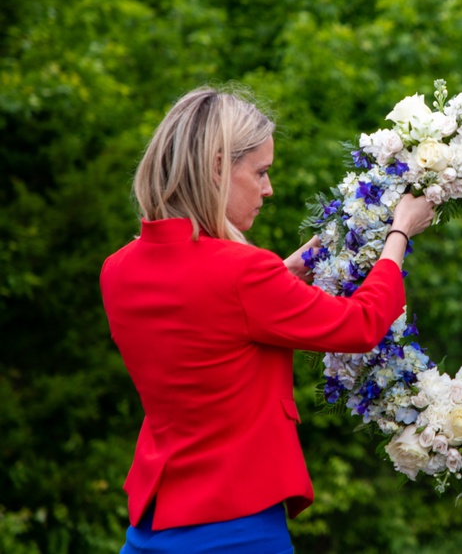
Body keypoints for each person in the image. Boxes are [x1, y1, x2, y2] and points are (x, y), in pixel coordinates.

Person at [100, 85, 435, 553]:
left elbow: (205, 322)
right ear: (218, 166)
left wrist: (282, 272)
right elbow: (360, 323)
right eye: (260, 172)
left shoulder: (118, 269)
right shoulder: (242, 272)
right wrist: (400, 231)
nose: (268, 188)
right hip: (237, 527)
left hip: (152, 526)